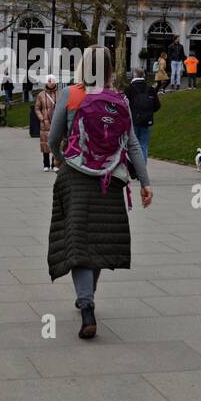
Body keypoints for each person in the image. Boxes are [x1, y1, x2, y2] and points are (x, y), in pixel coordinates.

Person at [47, 44, 152, 340]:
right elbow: (132, 144)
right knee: (99, 239)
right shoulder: (119, 99)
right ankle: (88, 294)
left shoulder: (70, 94)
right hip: (111, 179)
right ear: (109, 69)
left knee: (77, 241)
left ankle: (86, 304)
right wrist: (144, 182)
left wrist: (62, 157)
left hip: (75, 176)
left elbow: (54, 137)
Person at [124, 67, 160, 159]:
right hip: (147, 120)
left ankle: (135, 167)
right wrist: (148, 111)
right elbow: (157, 105)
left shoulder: (129, 89)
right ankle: (142, 168)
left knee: (133, 146)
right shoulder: (150, 89)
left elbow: (124, 106)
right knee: (144, 145)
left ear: (134, 75)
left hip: (133, 120)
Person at [34, 75, 60, 171]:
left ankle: (54, 164)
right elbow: (37, 108)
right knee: (45, 144)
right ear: (46, 83)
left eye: (52, 81)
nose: (50, 83)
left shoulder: (60, 94)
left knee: (56, 143)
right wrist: (41, 118)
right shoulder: (41, 95)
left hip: (57, 122)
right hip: (45, 123)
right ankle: (46, 164)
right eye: (49, 81)